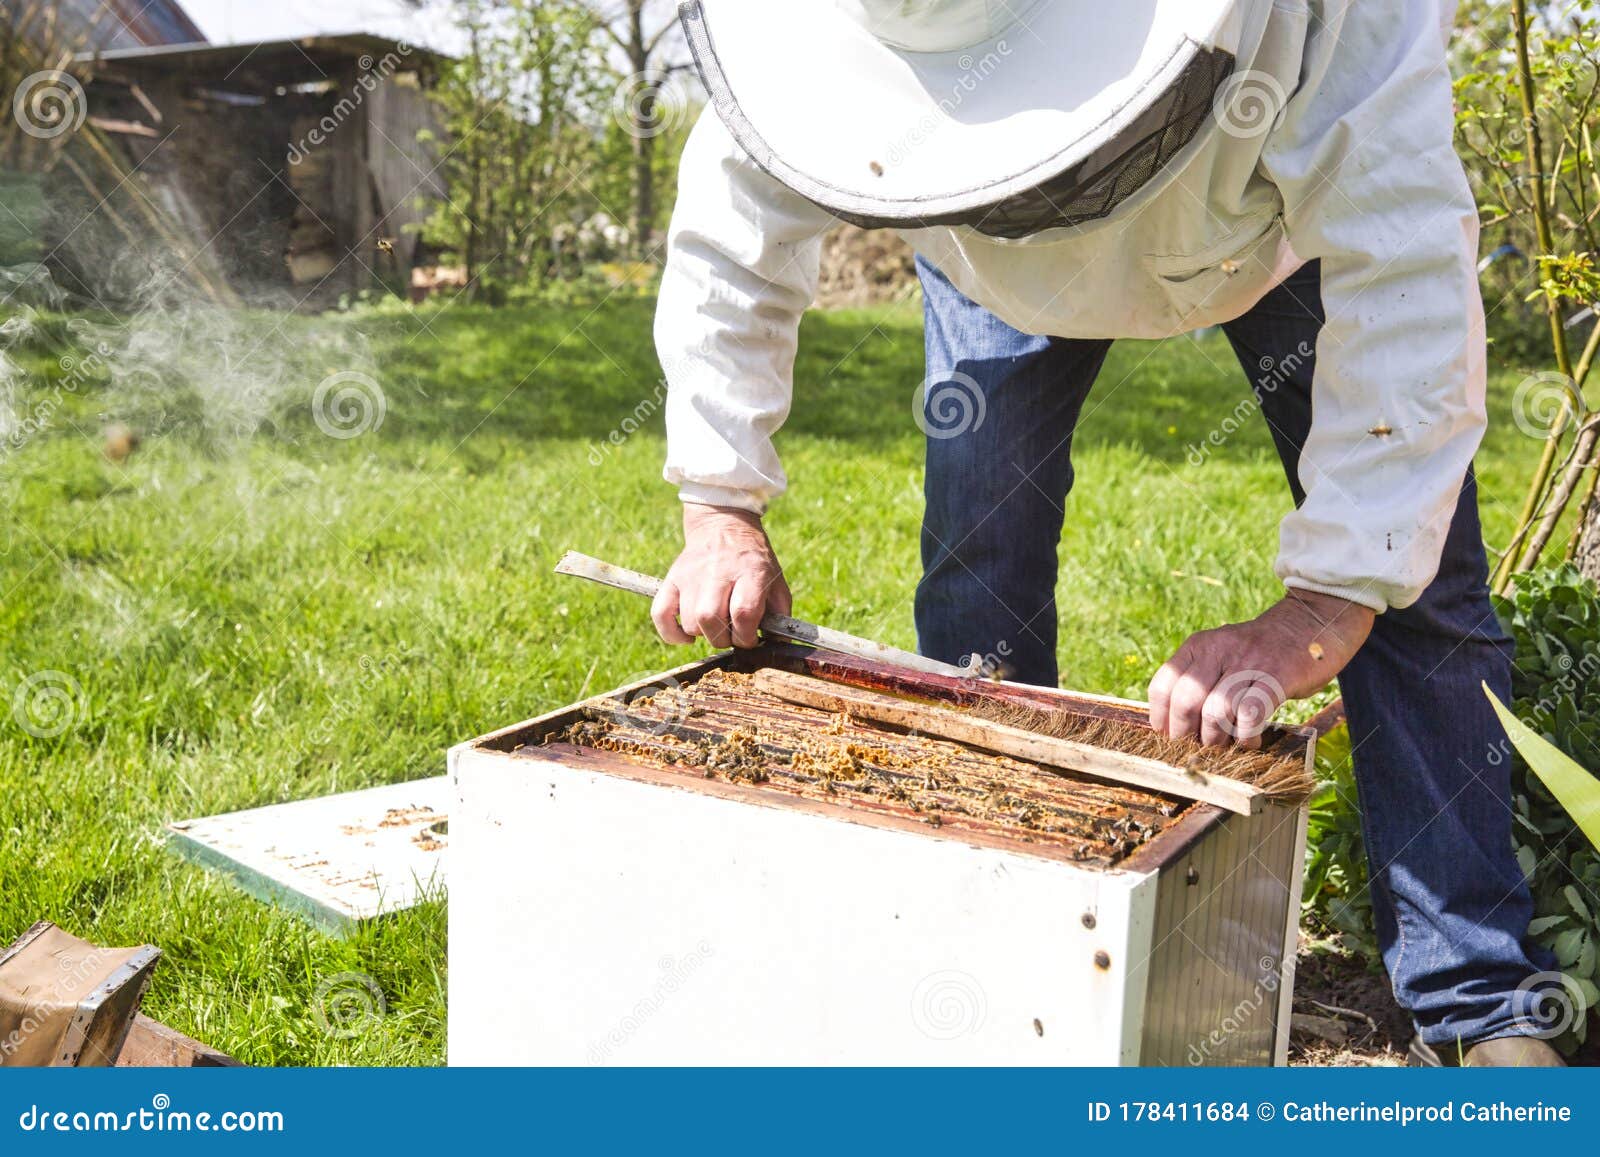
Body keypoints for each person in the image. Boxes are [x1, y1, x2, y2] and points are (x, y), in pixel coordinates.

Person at [649, 0, 1564, 1065]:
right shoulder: (798, 36)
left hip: (1270, 232)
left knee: (1416, 590)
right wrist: (719, 503)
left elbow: (1403, 254)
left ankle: (1478, 994)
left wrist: (1327, 601)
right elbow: (731, 235)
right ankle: (994, 919)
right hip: (981, 253)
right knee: (977, 558)